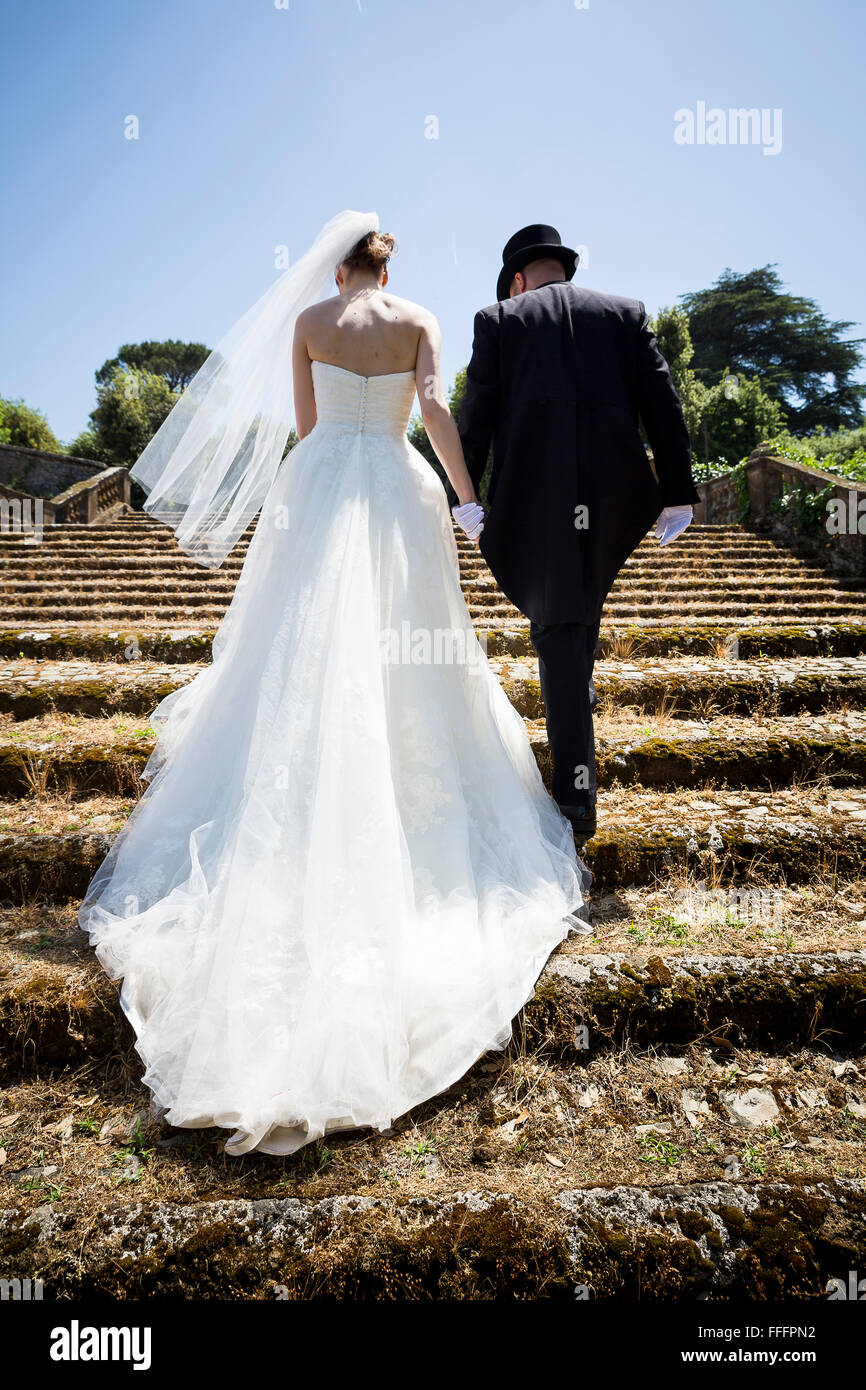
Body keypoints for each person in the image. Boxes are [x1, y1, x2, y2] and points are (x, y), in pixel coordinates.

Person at [78, 212, 590, 1158]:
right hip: (400, 487)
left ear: (337, 263)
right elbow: (435, 411)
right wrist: (468, 497)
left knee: (298, 642)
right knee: (409, 643)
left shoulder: (308, 324)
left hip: (318, 486)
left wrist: (339, 448)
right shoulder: (425, 319)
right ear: (389, 266)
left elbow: (308, 427)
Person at [459, 223, 701, 845]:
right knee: (573, 622)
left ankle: (575, 802)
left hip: (535, 504)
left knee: (560, 628)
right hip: (613, 497)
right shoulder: (624, 313)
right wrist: (677, 491)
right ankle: (577, 701)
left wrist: (461, 501)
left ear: (517, 279)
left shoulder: (498, 320)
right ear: (562, 268)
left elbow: (475, 424)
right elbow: (663, 403)